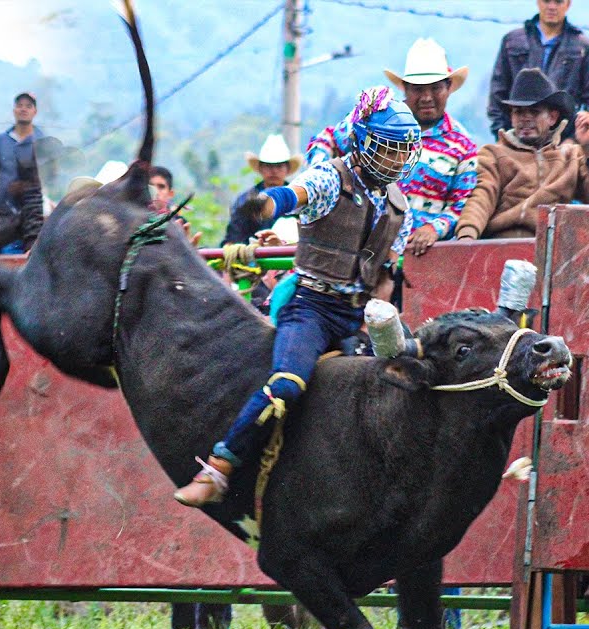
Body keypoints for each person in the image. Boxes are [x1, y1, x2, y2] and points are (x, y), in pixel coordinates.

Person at [177, 87, 420, 508]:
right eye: (389, 149)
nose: (397, 160)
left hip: (357, 313)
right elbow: (294, 196)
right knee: (288, 385)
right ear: (363, 145)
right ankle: (219, 467)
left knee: (408, 378)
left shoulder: (400, 204)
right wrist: (268, 203)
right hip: (311, 307)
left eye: (403, 151)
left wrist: (376, 317)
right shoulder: (330, 177)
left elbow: (385, 274)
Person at [308, 38, 477, 255]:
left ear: (448, 88)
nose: (427, 97)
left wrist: (433, 228)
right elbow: (327, 140)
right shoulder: (375, 120)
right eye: (418, 89)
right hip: (362, 246)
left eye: (435, 88)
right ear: (405, 89)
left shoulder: (463, 145)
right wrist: (319, 181)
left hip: (421, 255)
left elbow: (461, 205)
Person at [457, 68, 589, 241]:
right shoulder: (494, 155)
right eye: (518, 112)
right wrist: (467, 235)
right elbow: (481, 197)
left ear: (552, 117)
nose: (525, 118)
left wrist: (586, 148)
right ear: (511, 117)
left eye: (534, 112)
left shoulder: (571, 156)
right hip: (503, 246)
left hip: (556, 250)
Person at [487, 0, 589, 140]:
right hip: (517, 137)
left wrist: (573, 141)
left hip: (564, 142)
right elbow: (497, 94)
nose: (552, 6)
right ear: (538, 2)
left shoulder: (581, 46)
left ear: (568, 4)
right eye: (546, 1)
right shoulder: (512, 41)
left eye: (558, 1)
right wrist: (504, 137)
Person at [0, 92, 44, 254]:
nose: (23, 109)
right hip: (4, 210)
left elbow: (47, 176)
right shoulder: (0, 140)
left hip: (32, 211)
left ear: (34, 112)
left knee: (31, 253)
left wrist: (25, 186)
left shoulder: (41, 140)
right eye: (20, 105)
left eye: (28, 106)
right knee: (2, 254)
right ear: (14, 110)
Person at [224, 135, 302, 246]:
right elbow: (233, 238)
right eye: (269, 166)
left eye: (279, 166)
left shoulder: (299, 198)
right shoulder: (245, 201)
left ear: (287, 169)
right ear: (260, 168)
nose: (274, 171)